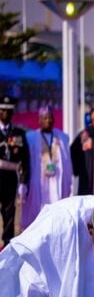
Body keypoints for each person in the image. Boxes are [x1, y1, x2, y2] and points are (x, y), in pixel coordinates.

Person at [22, 106, 72, 228]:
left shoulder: (62, 137)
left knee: (56, 211)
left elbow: (67, 162)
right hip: (39, 181)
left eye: (50, 118)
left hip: (57, 179)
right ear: (39, 120)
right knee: (37, 213)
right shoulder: (31, 138)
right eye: (44, 118)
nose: (48, 121)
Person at [0, 95, 30, 246]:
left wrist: (23, 182)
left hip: (10, 179)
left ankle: (7, 244)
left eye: (9, 111)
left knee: (9, 214)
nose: (5, 114)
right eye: (2, 110)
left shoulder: (19, 133)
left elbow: (25, 160)